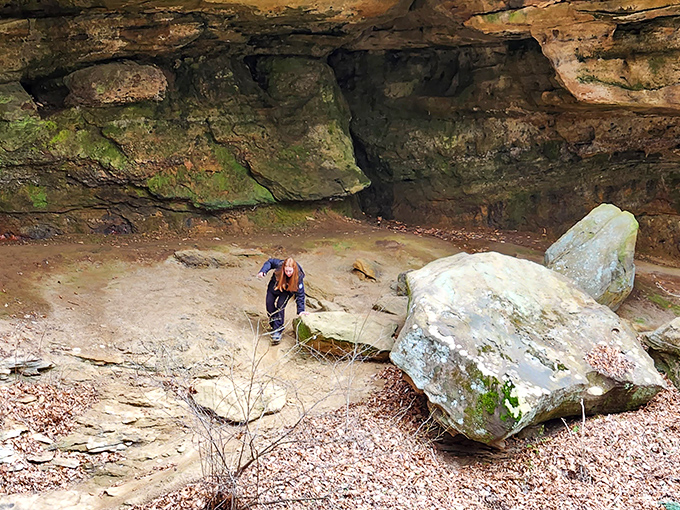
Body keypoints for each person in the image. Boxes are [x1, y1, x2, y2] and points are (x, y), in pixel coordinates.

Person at [257, 257, 308, 345]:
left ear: (294, 269)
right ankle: (274, 324)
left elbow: (300, 295)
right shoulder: (279, 265)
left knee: (280, 305)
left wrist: (301, 310)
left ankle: (277, 329)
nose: (288, 273)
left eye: (290, 271)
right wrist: (263, 271)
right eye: (286, 271)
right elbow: (270, 262)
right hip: (275, 287)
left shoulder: (298, 276)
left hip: (287, 291)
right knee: (269, 304)